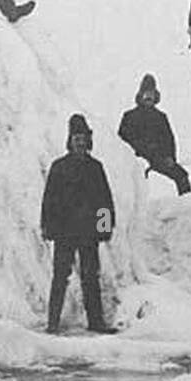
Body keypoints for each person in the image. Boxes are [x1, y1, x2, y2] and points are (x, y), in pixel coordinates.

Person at [40, 114, 117, 335]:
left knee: (90, 276)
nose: (80, 143)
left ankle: (96, 322)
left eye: (83, 138)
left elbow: (104, 201)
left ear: (88, 141)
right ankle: (52, 322)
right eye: (76, 138)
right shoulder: (59, 167)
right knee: (60, 277)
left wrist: (104, 228)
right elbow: (49, 201)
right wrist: (48, 226)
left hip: (88, 232)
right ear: (70, 141)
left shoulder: (96, 168)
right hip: (65, 232)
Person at [117, 74, 191, 195]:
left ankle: (186, 207)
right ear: (140, 95)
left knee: (182, 176)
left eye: (151, 93)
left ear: (155, 95)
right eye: (146, 93)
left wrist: (170, 158)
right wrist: (137, 155)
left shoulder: (161, 117)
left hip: (158, 159)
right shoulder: (129, 117)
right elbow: (122, 141)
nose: (148, 96)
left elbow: (169, 140)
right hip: (137, 160)